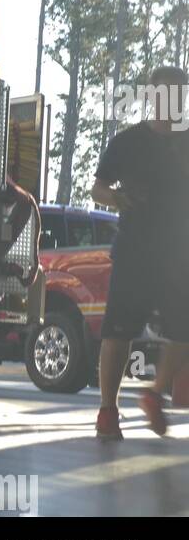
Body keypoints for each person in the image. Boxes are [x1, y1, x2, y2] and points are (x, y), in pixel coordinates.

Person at [91, 66, 189, 439]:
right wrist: (117, 197)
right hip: (134, 249)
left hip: (180, 253)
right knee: (118, 331)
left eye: (179, 94)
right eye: (164, 94)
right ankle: (107, 411)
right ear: (151, 97)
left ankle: (154, 391)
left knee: (185, 328)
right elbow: (98, 188)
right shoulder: (127, 142)